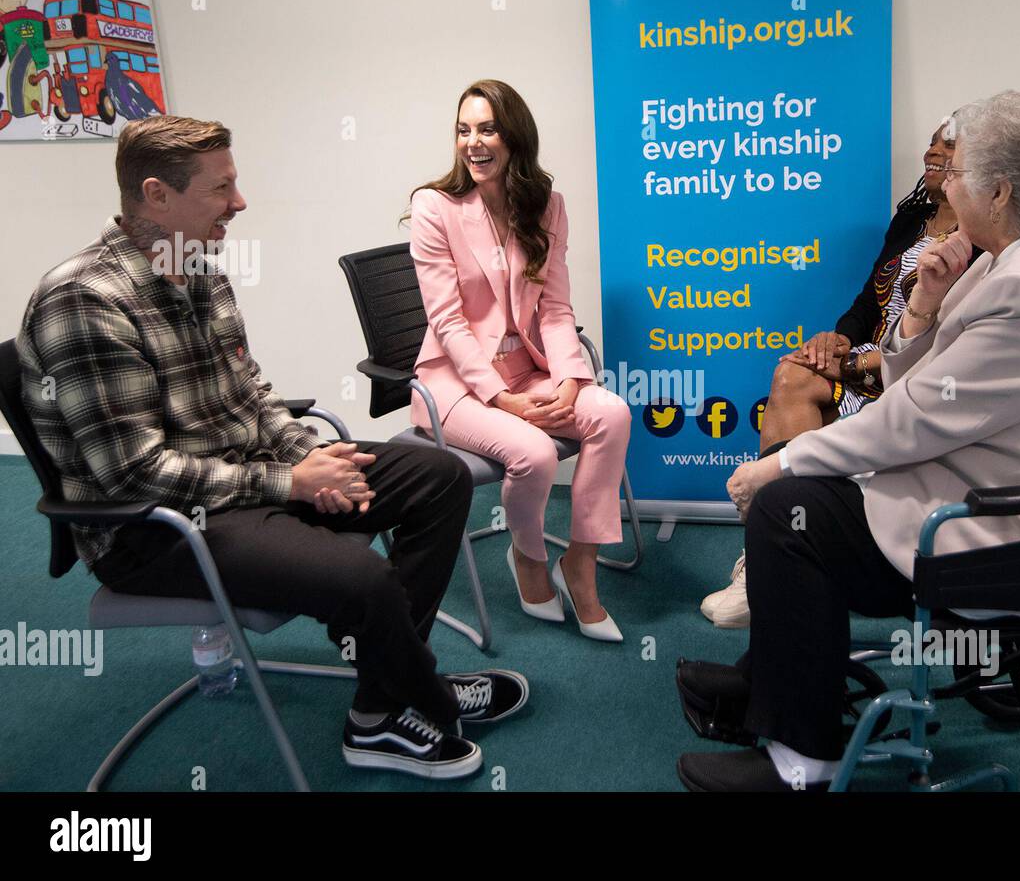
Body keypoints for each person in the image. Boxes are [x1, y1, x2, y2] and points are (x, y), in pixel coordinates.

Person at [16, 115, 526, 782]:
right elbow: (137, 473)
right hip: (156, 530)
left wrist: (311, 459)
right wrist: (289, 484)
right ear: (157, 195)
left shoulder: (197, 270)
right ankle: (419, 694)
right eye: (221, 186)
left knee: (436, 475)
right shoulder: (83, 302)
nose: (240, 201)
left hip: (242, 482)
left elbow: (252, 398)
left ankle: (382, 697)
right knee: (363, 577)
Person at [677, 90, 1020, 791]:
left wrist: (778, 463)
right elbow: (925, 388)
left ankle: (803, 758)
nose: (944, 181)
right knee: (811, 498)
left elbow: (911, 417)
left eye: (957, 171)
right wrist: (924, 308)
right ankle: (765, 687)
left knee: (790, 511)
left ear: (1000, 189)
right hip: (993, 478)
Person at [701, 116, 983, 628]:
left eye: (947, 146)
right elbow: (863, 305)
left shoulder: (984, 246)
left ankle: (790, 549)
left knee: (805, 377)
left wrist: (858, 362)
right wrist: (838, 340)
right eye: (931, 142)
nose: (931, 154)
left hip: (919, 376)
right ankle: (762, 564)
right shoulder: (910, 221)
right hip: (876, 356)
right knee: (792, 373)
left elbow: (947, 344)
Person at [407, 79, 631, 643]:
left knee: (613, 414)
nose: (473, 143)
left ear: (515, 137)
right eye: (463, 130)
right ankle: (528, 558)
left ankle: (579, 563)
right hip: (455, 386)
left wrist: (572, 381)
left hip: (529, 370)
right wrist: (501, 399)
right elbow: (448, 321)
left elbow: (555, 308)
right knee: (532, 454)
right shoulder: (435, 207)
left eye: (487, 129)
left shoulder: (547, 207)